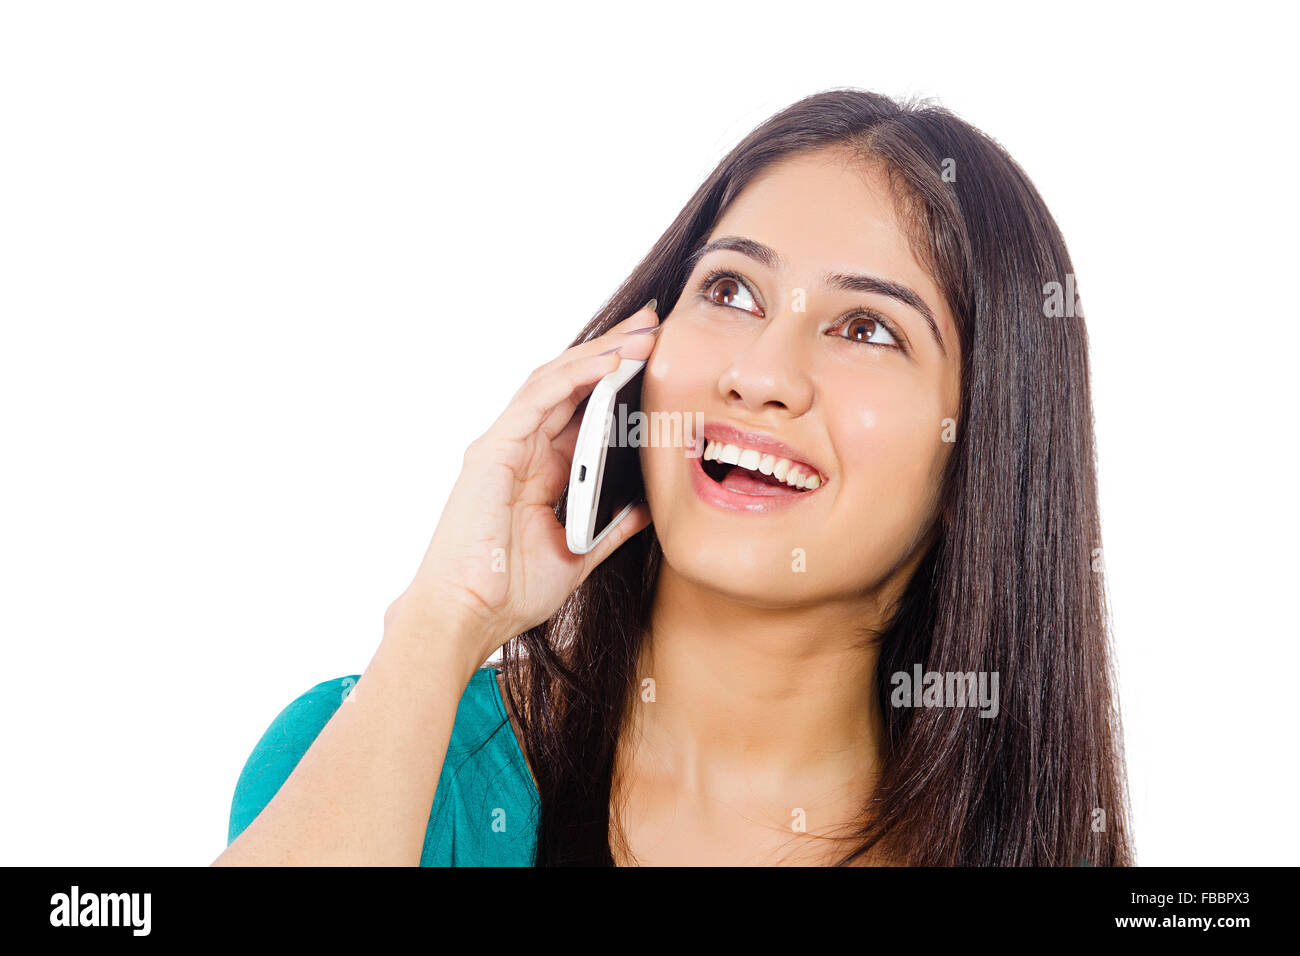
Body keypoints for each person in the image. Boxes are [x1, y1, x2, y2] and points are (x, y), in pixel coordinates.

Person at [213, 88, 1132, 867]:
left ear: (985, 446)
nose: (762, 374)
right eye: (730, 291)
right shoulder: (389, 755)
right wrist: (439, 621)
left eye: (867, 330)